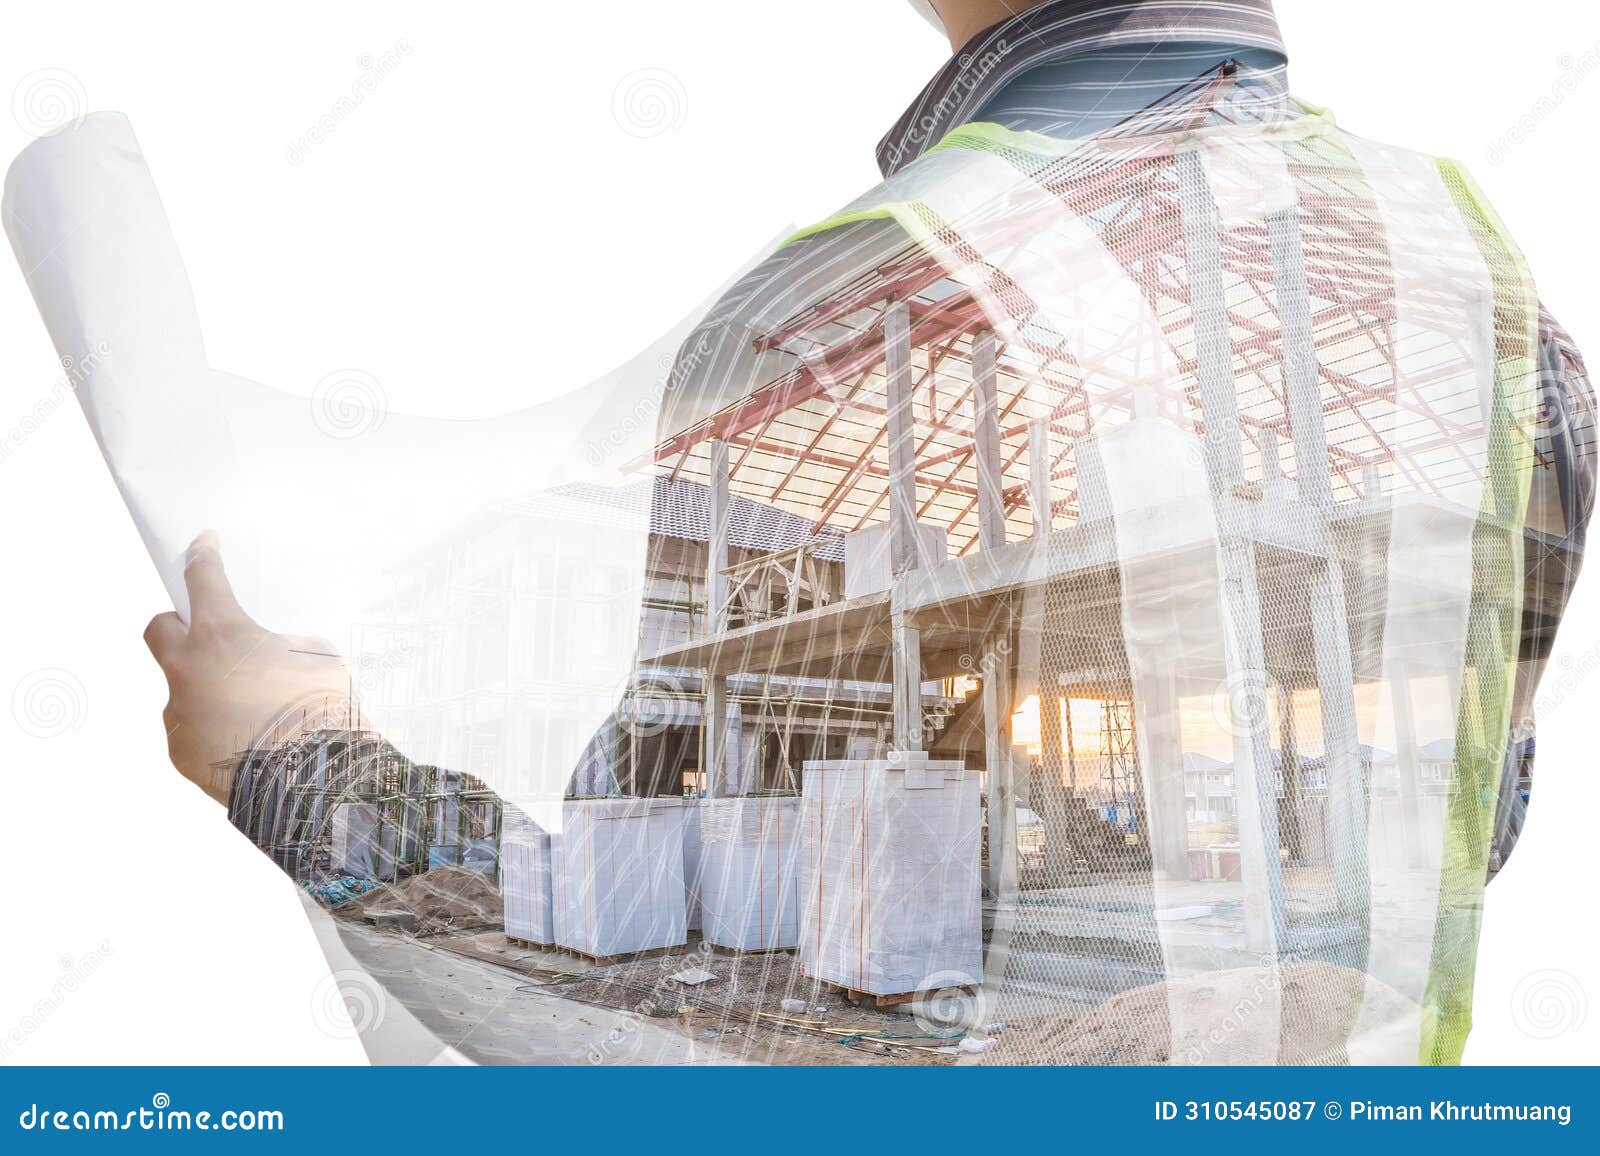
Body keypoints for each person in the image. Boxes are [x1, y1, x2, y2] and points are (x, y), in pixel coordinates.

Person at [140, 0, 1594, 1065]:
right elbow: (1457, 842)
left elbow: (613, 999)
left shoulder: (836, 306)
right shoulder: (1500, 315)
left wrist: (289, 753)